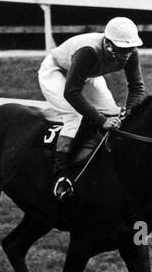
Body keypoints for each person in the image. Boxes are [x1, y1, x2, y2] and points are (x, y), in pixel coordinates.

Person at [38, 16, 146, 200]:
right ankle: (60, 174)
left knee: (112, 111)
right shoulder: (88, 51)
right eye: (122, 50)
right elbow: (71, 92)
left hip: (87, 74)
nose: (127, 54)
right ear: (108, 44)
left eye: (130, 49)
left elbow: (136, 86)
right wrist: (101, 120)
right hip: (56, 71)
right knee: (73, 116)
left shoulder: (131, 52)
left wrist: (130, 113)